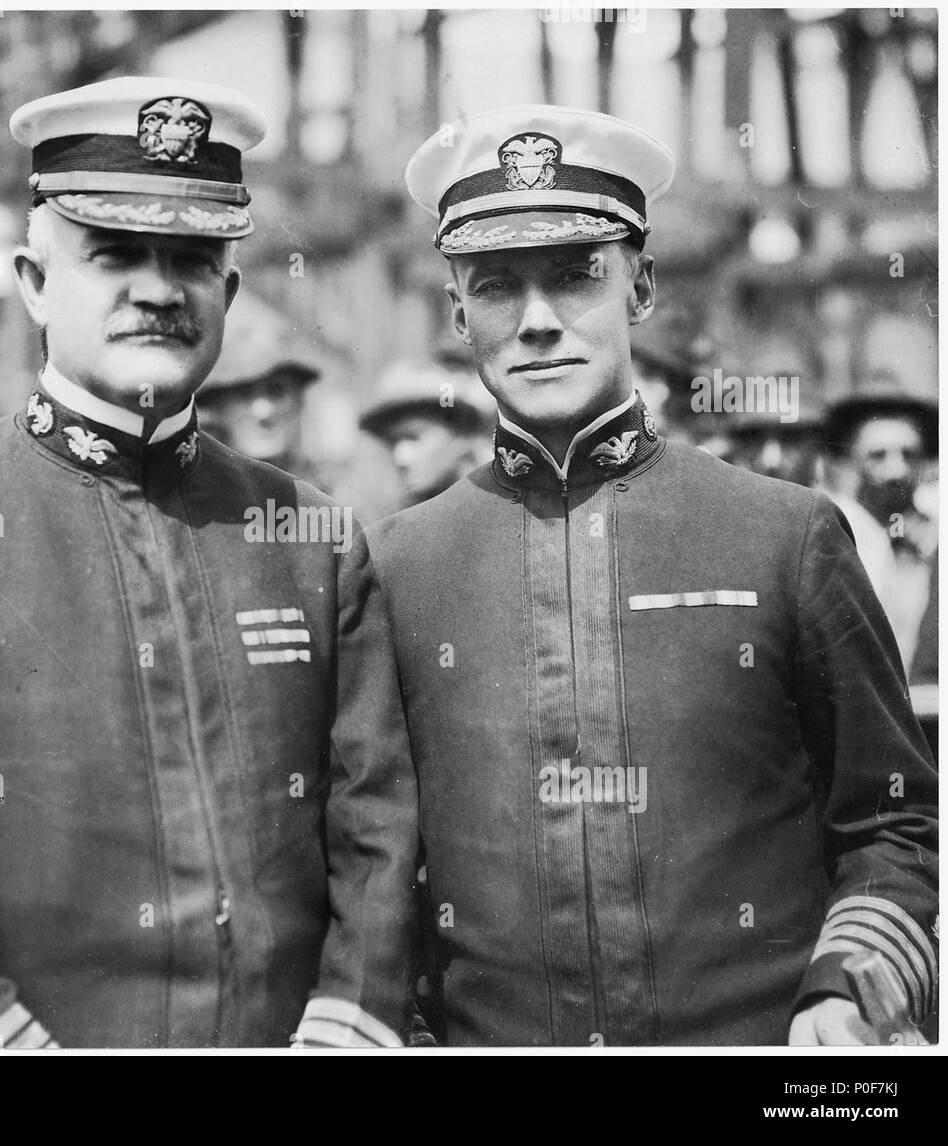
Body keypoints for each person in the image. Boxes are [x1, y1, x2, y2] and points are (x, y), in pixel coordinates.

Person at [0, 77, 418, 1049]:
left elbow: (377, 832)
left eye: (192, 260)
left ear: (228, 292)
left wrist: (339, 1031)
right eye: (113, 253)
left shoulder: (312, 538)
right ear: (33, 282)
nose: (157, 289)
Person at [366, 104, 938, 1046]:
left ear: (641, 286)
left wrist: (844, 990)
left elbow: (893, 824)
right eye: (498, 285)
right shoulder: (397, 563)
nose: (540, 321)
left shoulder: (784, 534)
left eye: (577, 275)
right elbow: (369, 862)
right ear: (458, 310)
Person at [822, 385, 937, 673]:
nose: (897, 471)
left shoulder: (935, 538)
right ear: (852, 462)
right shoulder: (834, 537)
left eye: (909, 455)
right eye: (878, 456)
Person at [193, 290, 324, 484]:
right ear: (218, 408)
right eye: (244, 394)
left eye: (277, 392)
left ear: (299, 402)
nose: (264, 412)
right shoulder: (197, 496)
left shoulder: (336, 496)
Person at [359, 354, 495, 508]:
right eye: (392, 442)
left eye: (413, 437)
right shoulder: (401, 519)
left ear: (461, 434)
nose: (401, 458)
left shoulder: (504, 508)